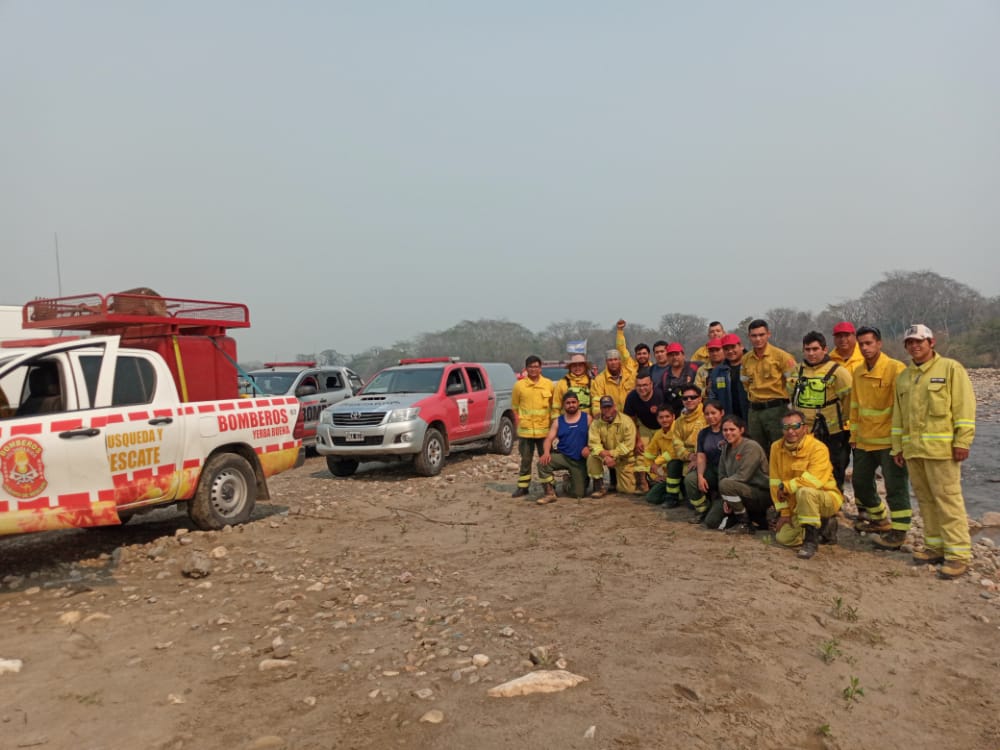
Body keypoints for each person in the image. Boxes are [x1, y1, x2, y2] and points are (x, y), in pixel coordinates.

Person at [891, 324, 976, 580]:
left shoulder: (950, 369)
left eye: (920, 341)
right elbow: (898, 416)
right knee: (926, 501)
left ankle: (958, 555)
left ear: (931, 342)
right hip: (914, 451)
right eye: (910, 342)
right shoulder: (905, 377)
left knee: (948, 501)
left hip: (942, 451)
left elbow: (964, 408)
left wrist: (963, 441)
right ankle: (935, 546)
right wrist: (898, 447)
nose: (915, 346)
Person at [849, 326, 910, 549]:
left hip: (888, 440)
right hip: (864, 440)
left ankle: (900, 531)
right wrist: (854, 435)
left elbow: (903, 407)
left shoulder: (895, 369)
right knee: (860, 482)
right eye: (861, 344)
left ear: (879, 343)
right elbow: (855, 406)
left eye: (868, 343)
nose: (864, 348)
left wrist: (901, 442)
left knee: (896, 486)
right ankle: (879, 519)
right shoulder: (857, 372)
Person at [770, 409, 844, 559]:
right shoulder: (776, 447)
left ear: (805, 428)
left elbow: (814, 480)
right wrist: (784, 513)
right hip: (798, 504)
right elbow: (775, 482)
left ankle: (810, 541)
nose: (791, 431)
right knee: (784, 538)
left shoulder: (818, 448)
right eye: (786, 427)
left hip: (825, 497)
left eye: (795, 426)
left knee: (805, 491)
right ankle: (824, 527)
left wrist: (788, 486)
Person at [790, 331, 853, 490]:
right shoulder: (797, 371)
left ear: (825, 349)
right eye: (807, 349)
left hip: (831, 431)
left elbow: (850, 401)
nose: (811, 353)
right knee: (804, 466)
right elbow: (791, 395)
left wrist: (845, 427)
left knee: (833, 467)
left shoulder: (838, 372)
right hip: (803, 432)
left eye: (815, 349)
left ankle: (835, 502)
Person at [742, 319, 797, 450]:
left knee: (780, 448)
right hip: (754, 412)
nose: (758, 339)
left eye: (761, 335)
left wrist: (791, 409)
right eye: (754, 336)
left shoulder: (782, 356)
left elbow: (794, 383)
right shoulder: (746, 359)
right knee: (757, 450)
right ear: (749, 337)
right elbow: (745, 382)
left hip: (777, 409)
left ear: (768, 335)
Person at [717, 415, 772, 534]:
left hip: (760, 492)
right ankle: (748, 518)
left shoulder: (751, 446)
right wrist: (726, 498)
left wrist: (726, 489)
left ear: (741, 430)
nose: (728, 433)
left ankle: (744, 523)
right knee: (712, 521)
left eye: (732, 429)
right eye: (725, 430)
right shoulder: (725, 448)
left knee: (725, 484)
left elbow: (743, 476)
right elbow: (721, 475)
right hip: (737, 490)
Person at [511, 355, 555, 498]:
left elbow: (553, 406)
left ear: (540, 368)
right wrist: (522, 421)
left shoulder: (548, 384)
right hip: (526, 431)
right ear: (526, 368)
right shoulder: (519, 386)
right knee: (526, 460)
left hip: (544, 431)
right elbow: (515, 407)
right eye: (531, 367)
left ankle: (549, 486)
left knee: (546, 460)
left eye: (536, 366)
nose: (533, 369)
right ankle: (523, 487)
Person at [539, 391, 593, 502]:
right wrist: (546, 452)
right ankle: (550, 492)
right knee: (542, 463)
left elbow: (595, 437)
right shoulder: (558, 421)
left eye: (573, 402)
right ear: (564, 405)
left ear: (578, 403)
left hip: (580, 459)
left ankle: (567, 482)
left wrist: (588, 447)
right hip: (563, 456)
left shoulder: (587, 418)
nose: (571, 405)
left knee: (579, 494)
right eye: (568, 403)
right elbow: (548, 439)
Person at [685, 399, 727, 527]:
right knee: (690, 479)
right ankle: (702, 509)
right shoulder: (703, 433)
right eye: (707, 414)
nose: (710, 417)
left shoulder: (728, 430)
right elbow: (701, 456)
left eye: (713, 413)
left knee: (713, 521)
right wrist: (700, 476)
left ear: (722, 413)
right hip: (712, 469)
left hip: (727, 473)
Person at [587, 396, 638, 497]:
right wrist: (605, 456)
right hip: (604, 456)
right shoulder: (595, 424)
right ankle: (599, 487)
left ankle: (616, 479)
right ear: (600, 409)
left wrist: (611, 454)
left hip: (623, 458)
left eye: (609, 407)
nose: (607, 410)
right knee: (592, 457)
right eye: (604, 407)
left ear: (614, 406)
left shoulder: (626, 421)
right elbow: (593, 444)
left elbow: (628, 446)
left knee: (628, 490)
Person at [623, 368, 664, 492]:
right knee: (641, 452)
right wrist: (638, 440)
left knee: (663, 455)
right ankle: (642, 481)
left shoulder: (660, 395)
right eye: (639, 386)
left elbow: (669, 416)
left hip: (662, 427)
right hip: (644, 426)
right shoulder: (632, 397)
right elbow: (631, 421)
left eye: (645, 385)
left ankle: (659, 479)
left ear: (651, 384)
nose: (642, 389)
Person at [642, 406, 686, 506]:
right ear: (657, 419)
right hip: (667, 474)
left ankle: (676, 494)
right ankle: (677, 493)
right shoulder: (658, 434)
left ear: (674, 417)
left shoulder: (679, 429)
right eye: (661, 417)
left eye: (667, 416)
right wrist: (654, 476)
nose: (664, 420)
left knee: (674, 463)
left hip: (682, 469)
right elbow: (648, 455)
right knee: (651, 498)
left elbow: (675, 452)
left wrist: (656, 462)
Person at [708, 333, 749, 420]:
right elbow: (713, 396)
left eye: (733, 347)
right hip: (729, 419)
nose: (730, 351)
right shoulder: (717, 371)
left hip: (751, 415)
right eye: (726, 349)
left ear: (741, 346)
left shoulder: (752, 365)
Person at [659, 343, 700, 413]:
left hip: (696, 412)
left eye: (677, 354)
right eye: (671, 355)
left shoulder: (695, 367)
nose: (674, 357)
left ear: (683, 355)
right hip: (675, 415)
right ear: (667, 357)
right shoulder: (665, 375)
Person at [592, 349, 635, 414]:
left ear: (620, 360)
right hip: (610, 418)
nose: (613, 362)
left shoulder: (630, 375)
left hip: (630, 416)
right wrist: (599, 415)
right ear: (606, 362)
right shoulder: (599, 380)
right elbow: (596, 402)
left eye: (615, 359)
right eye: (610, 360)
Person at [550, 353, 593, 419]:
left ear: (585, 367)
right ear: (570, 367)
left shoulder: (592, 383)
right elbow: (556, 406)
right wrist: (557, 423)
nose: (577, 368)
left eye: (580, 365)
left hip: (587, 422)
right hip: (567, 422)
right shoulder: (561, 383)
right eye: (574, 365)